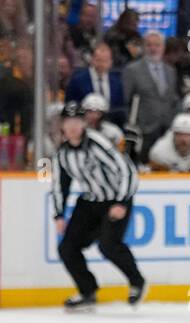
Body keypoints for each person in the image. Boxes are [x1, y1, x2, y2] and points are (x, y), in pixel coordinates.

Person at [50, 101, 147, 311]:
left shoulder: (97, 143)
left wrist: (121, 202)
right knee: (67, 248)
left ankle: (137, 282)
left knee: (109, 245)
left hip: (116, 198)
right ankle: (87, 291)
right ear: (62, 125)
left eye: (77, 121)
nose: (73, 126)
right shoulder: (63, 153)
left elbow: (127, 171)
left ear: (84, 123)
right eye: (69, 121)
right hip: (89, 202)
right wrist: (58, 214)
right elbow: (60, 185)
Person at [121, 30, 178, 160]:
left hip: (167, 131)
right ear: (143, 47)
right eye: (149, 45)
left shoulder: (171, 71)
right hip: (143, 131)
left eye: (157, 45)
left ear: (163, 48)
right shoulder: (132, 70)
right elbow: (126, 101)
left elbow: (172, 99)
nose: (153, 49)